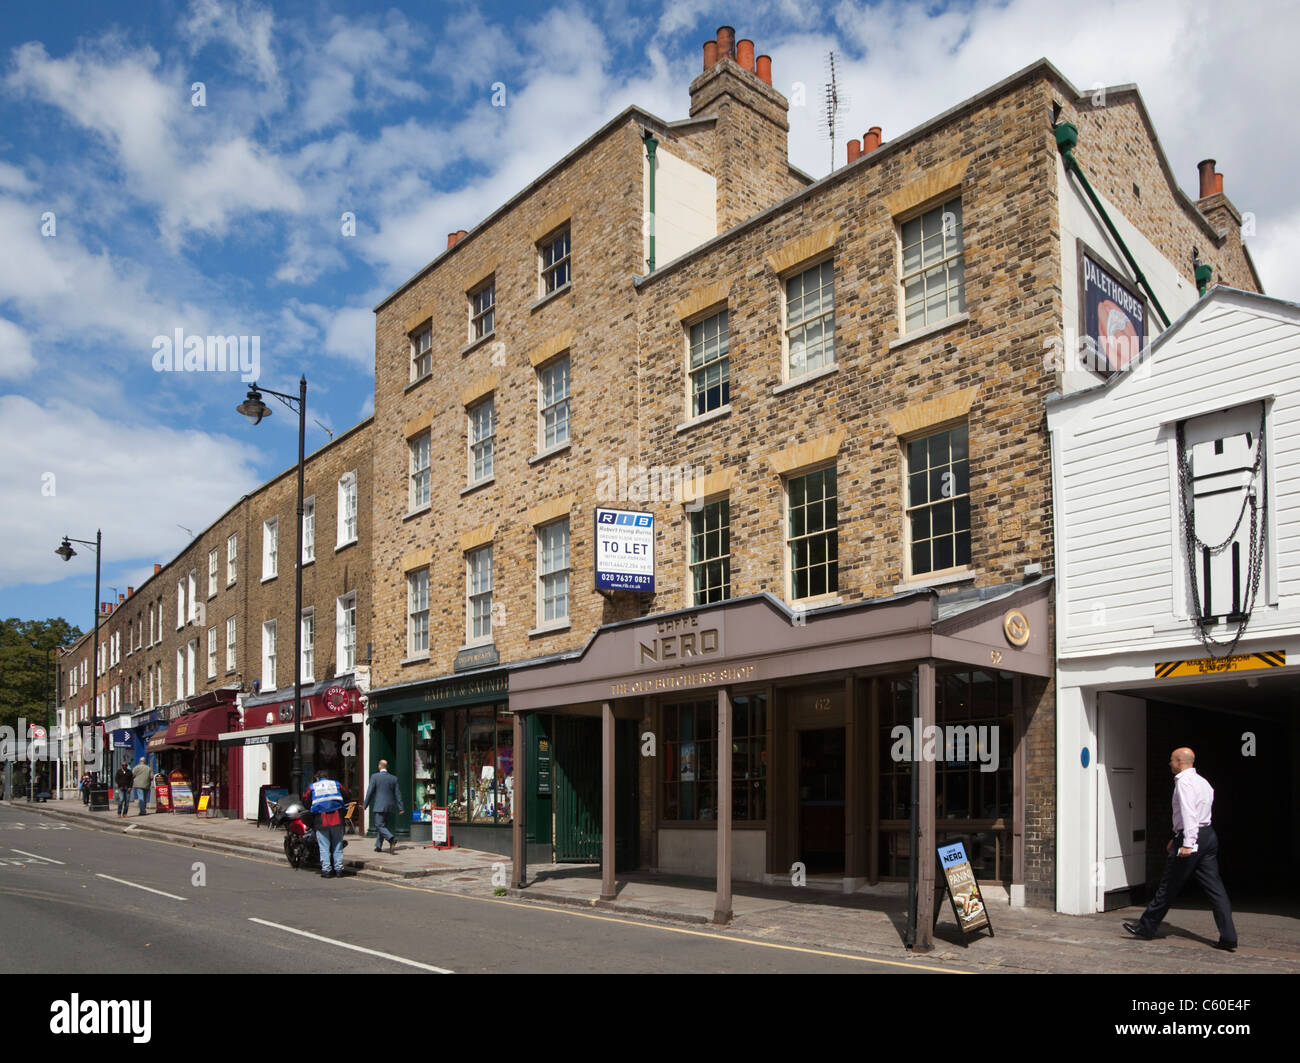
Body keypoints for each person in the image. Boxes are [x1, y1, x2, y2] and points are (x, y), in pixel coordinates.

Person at [1124, 747, 1238, 951]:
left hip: (1192, 837)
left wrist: (1186, 842)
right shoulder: (1204, 782)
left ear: (1179, 762)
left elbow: (1189, 813)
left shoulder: (1184, 782)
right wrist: (1177, 837)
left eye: (1171, 760)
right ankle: (1229, 936)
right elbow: (1203, 811)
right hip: (1208, 835)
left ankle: (1146, 926)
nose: (1169, 764)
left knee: (1168, 884)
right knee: (1215, 888)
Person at [305, 769, 349, 879]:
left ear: (317, 778)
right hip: (337, 818)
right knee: (337, 845)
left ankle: (327, 870)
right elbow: (348, 795)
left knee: (324, 846)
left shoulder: (313, 787)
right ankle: (339, 870)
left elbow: (305, 800)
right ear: (327, 777)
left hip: (321, 819)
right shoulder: (336, 784)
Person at [364, 759, 405, 854]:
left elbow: (370, 792)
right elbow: (398, 794)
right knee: (383, 825)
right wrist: (401, 807)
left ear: (379, 766)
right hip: (390, 806)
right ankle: (378, 846)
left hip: (379, 805)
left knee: (379, 825)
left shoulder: (375, 777)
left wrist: (365, 804)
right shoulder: (393, 778)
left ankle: (391, 838)